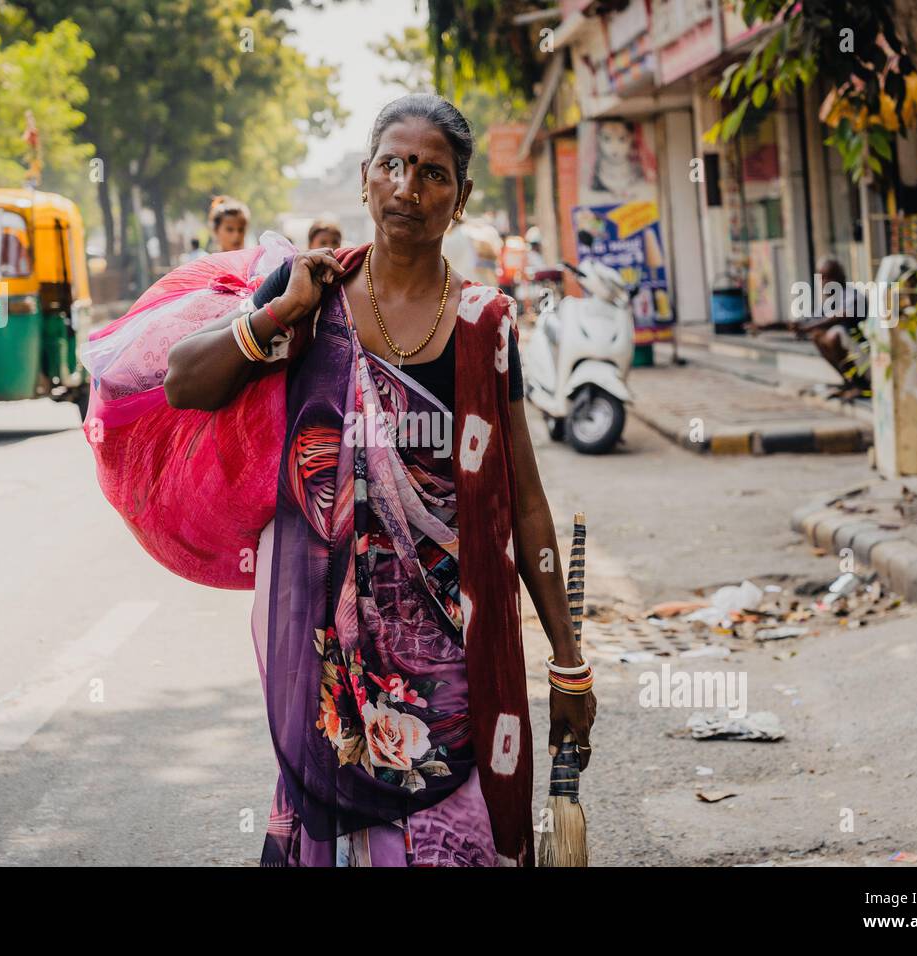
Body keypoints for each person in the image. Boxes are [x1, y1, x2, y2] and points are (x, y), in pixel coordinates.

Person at [164, 93, 595, 868]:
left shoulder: (484, 324)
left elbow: (523, 500)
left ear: (459, 201)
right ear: (365, 178)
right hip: (334, 661)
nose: (409, 187)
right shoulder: (311, 296)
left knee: (456, 843)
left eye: (433, 174)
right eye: (393, 165)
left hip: (458, 660)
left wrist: (570, 663)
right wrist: (274, 317)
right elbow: (181, 382)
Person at [793, 256, 869, 397]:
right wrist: (764, 327)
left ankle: (861, 384)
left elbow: (840, 316)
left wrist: (807, 327)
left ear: (839, 277)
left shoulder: (853, 295)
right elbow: (808, 321)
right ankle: (850, 382)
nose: (824, 282)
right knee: (818, 335)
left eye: (828, 277)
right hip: (853, 355)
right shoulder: (830, 301)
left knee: (834, 335)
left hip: (866, 354)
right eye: (821, 278)